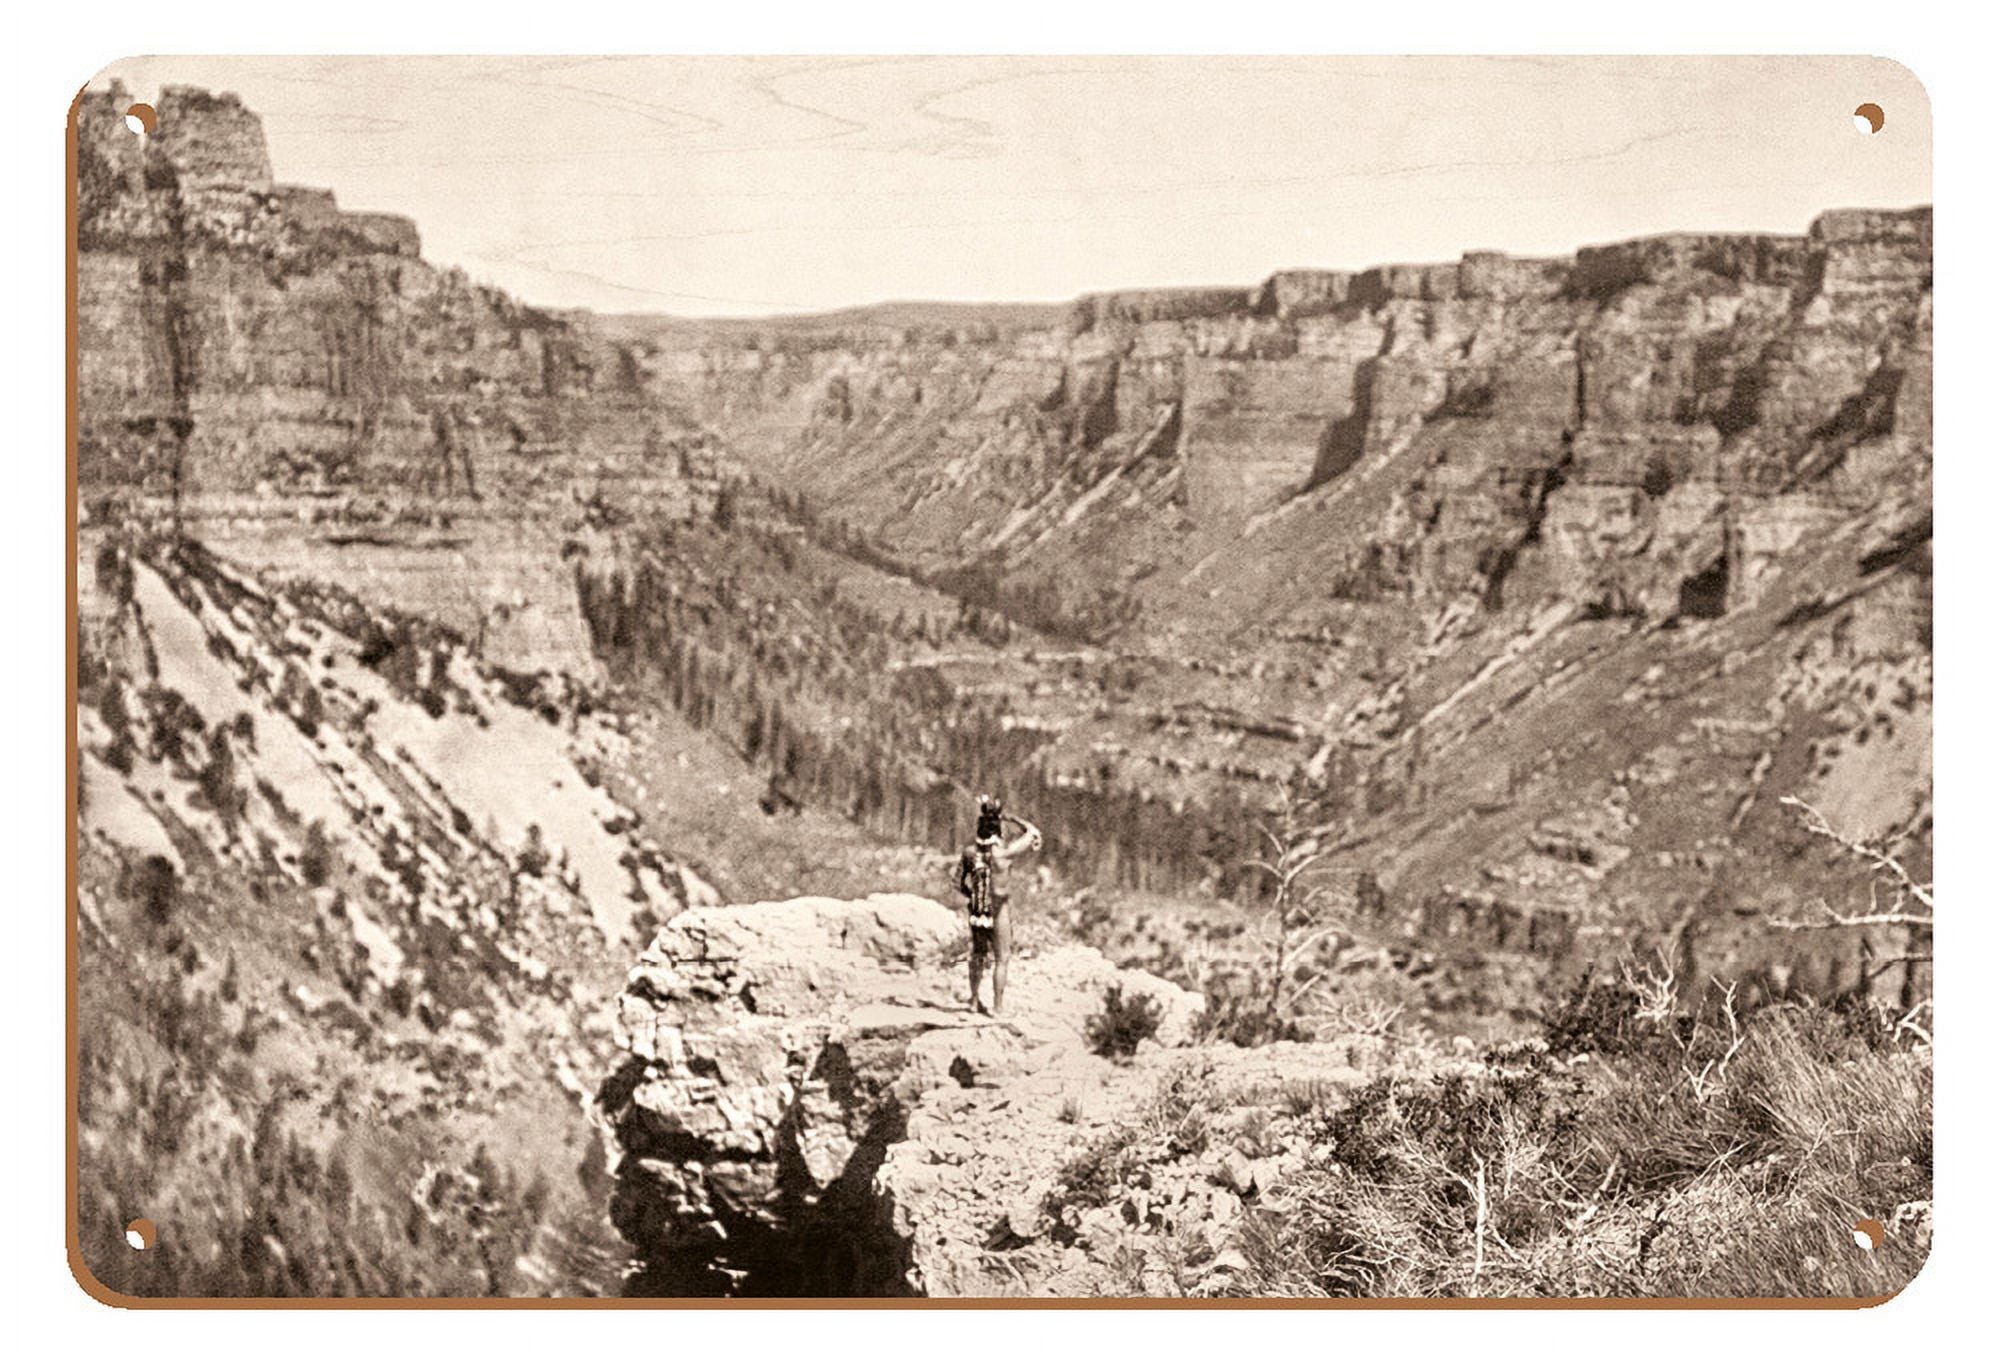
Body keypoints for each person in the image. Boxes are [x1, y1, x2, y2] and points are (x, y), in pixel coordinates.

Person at [952, 794, 1042, 1015]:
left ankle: (973, 1000)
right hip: (999, 910)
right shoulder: (1005, 854)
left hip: (978, 910)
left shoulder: (970, 853)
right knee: (1002, 959)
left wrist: (974, 896)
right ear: (997, 830)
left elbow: (957, 883)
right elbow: (1032, 833)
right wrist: (1012, 818)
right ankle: (998, 1007)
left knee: (977, 955)